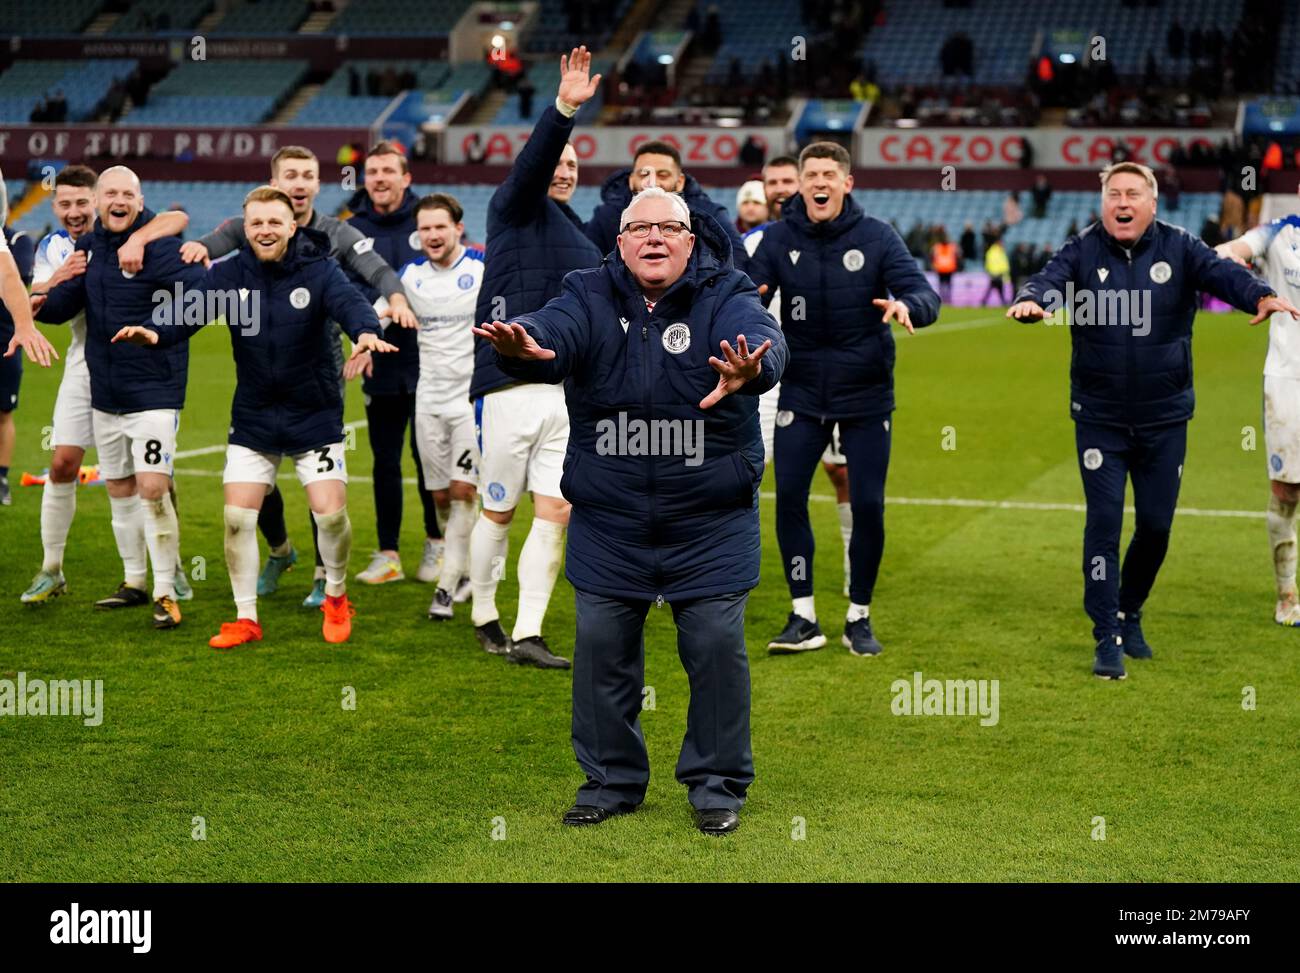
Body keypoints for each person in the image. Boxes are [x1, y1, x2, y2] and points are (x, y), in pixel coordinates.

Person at [474, 186, 786, 835]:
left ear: (690, 240)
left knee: (715, 647)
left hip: (710, 517)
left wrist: (750, 371)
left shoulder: (726, 291)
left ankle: (716, 784)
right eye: (639, 227)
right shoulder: (588, 290)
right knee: (601, 650)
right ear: (619, 242)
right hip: (611, 517)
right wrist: (525, 345)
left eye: (668, 228)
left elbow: (764, 339)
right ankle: (611, 780)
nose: (653, 238)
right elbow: (552, 327)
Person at [1008, 162, 1299, 680]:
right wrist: (1033, 301)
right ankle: (1106, 636)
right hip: (1099, 417)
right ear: (1103, 203)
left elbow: (1222, 272)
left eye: (1132, 194)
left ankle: (1129, 608)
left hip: (1165, 417)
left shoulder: (1181, 245)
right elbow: (1049, 280)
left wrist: (1260, 295)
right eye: (1113, 194)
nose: (1122, 203)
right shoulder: (1081, 248)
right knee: (1103, 524)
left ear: (1152, 204)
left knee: (1157, 527)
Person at [115, 186, 396, 647]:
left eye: (273, 222)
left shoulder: (320, 270)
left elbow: (352, 305)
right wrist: (154, 331)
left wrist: (365, 332)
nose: (264, 230)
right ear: (246, 230)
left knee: (330, 516)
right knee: (237, 519)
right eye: (255, 223)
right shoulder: (232, 275)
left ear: (292, 226)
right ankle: (246, 618)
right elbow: (188, 311)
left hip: (315, 413)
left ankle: (337, 595)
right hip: (255, 415)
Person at [180, 145, 420, 607]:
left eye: (308, 175)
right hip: (260, 372)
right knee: (258, 479)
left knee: (320, 486)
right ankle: (279, 550)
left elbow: (377, 272)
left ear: (316, 184)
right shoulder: (248, 224)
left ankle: (320, 574)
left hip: (320, 371)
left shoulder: (334, 234)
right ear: (275, 180)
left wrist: (392, 304)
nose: (299, 183)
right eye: (290, 174)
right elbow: (204, 251)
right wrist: (187, 243)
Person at [748, 141, 941, 657]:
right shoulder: (779, 237)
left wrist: (907, 306)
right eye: (811, 174)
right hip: (802, 389)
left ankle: (859, 615)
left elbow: (926, 296)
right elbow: (745, 294)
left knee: (870, 506)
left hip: (866, 394)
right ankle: (803, 614)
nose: (819, 182)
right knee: (788, 497)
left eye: (830, 174)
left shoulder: (877, 237)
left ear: (847, 183)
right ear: (802, 182)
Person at [467, 46, 605, 667]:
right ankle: (483, 613)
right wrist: (563, 113)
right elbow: (532, 167)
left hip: (566, 389)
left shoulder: (583, 238)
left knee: (556, 510)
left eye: (575, 164)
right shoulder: (513, 210)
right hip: (508, 383)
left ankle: (527, 633)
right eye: (559, 160)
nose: (566, 169)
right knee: (497, 508)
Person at [34, 166, 207, 630]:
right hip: (105, 391)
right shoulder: (91, 248)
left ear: (139, 199)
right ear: (98, 200)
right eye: (110, 193)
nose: (119, 201)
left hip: (154, 389)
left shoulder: (165, 248)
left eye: (127, 194)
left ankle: (168, 591)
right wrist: (37, 301)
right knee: (120, 487)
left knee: (152, 487)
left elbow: (201, 298)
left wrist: (157, 332)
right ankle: (134, 582)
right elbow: (65, 303)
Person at [747, 153, 856, 596]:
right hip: (764, 376)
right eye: (771, 182)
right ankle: (733, 570)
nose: (779, 189)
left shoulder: (829, 239)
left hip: (818, 374)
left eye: (787, 180)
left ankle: (854, 564)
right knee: (750, 470)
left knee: (842, 473)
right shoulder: (754, 243)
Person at [370, 193, 483, 621]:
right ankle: (466, 567)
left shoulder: (480, 270)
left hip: (470, 400)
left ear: (457, 227)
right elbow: (378, 312)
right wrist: (365, 341)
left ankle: (446, 586)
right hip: (428, 398)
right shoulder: (411, 277)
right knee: (439, 496)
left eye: (441, 226)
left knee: (462, 490)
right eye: (426, 229)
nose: (433, 235)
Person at [345, 141, 443, 588]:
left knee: (430, 460)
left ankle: (437, 544)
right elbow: (345, 290)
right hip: (379, 362)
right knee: (385, 460)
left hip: (432, 362)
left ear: (406, 177)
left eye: (388, 171)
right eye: (372, 172)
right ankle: (388, 554)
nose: (379, 179)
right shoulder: (353, 229)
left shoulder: (426, 221)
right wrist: (364, 333)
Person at [1214, 187, 1300, 626]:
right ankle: (1287, 596)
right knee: (1286, 492)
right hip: (1289, 379)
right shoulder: (1279, 234)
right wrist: (1233, 260)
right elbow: (1225, 251)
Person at [586, 140, 747, 271]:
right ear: (631, 180)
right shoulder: (605, 216)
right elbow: (588, 265)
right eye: (644, 174)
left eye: (663, 175)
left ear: (680, 182)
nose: (652, 181)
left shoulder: (711, 215)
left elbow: (737, 260)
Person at [0, 223, 35, 507]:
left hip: (5, 339)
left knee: (3, 411)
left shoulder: (18, 239)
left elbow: (17, 275)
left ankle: (1, 476)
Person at [930, 229, 958, 303]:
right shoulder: (951, 246)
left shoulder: (937, 247)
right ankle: (947, 299)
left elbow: (932, 256)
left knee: (943, 286)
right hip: (945, 268)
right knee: (946, 286)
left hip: (944, 268)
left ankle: (945, 299)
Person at [982, 235, 1010, 305]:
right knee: (997, 289)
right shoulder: (993, 252)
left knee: (995, 289)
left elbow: (1003, 263)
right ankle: (985, 301)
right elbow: (991, 263)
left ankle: (984, 301)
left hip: (999, 274)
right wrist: (992, 272)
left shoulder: (999, 251)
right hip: (995, 274)